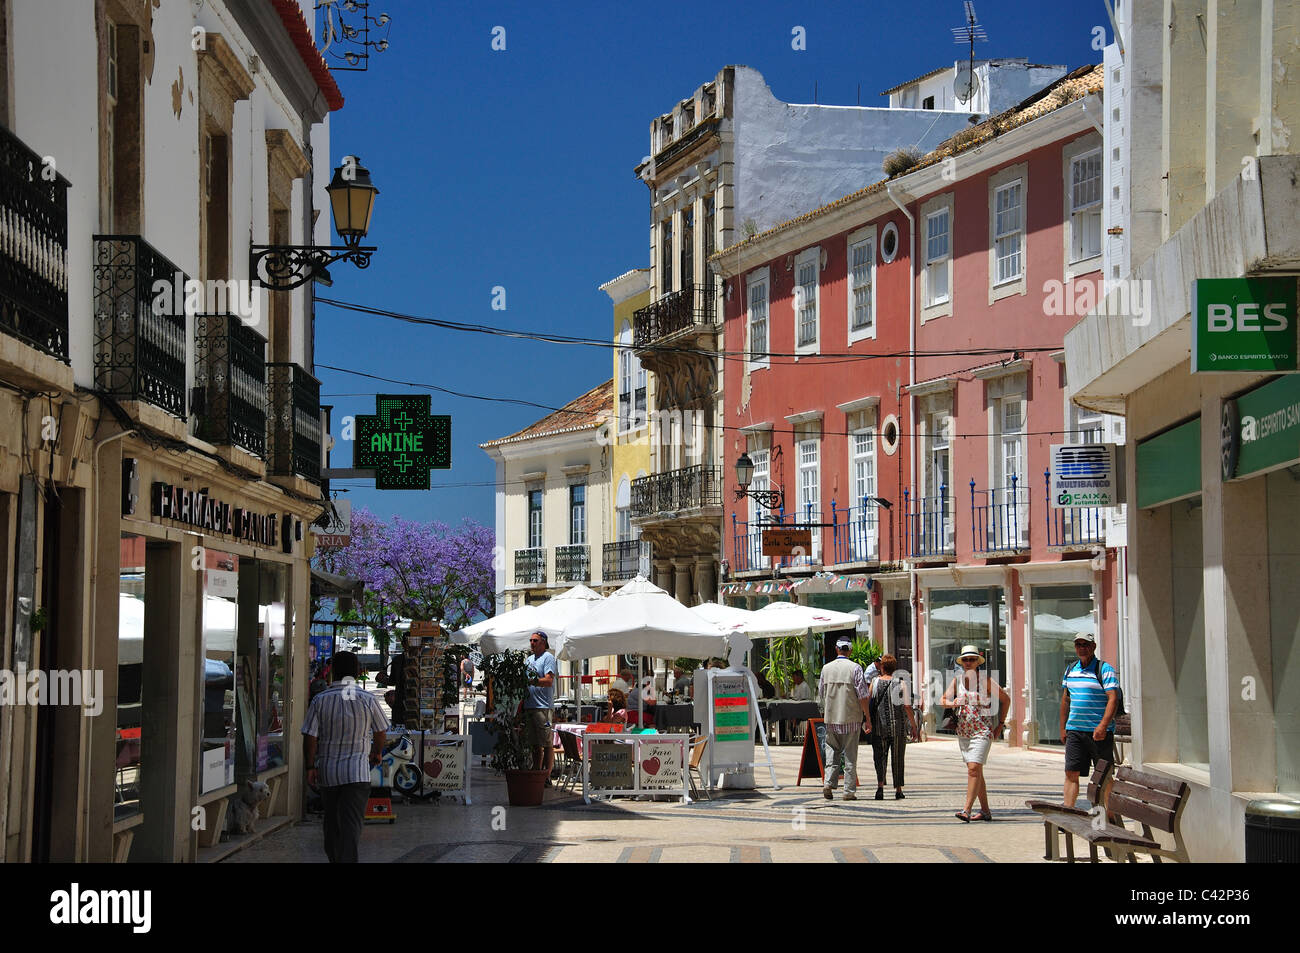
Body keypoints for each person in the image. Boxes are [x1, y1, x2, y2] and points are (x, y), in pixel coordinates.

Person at [301, 651, 389, 863]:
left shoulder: (320, 700)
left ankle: (335, 858)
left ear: (332, 672)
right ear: (358, 672)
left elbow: (310, 736)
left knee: (331, 823)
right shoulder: (368, 699)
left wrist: (310, 766)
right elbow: (381, 731)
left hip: (329, 773)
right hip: (357, 773)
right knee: (351, 825)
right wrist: (376, 751)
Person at [940, 645, 1009, 822]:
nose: (968, 662)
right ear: (961, 662)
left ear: (978, 662)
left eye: (972, 659)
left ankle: (966, 810)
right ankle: (985, 811)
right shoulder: (958, 680)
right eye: (965, 660)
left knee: (973, 770)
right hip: (964, 732)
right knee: (976, 772)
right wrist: (953, 702)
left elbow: (1005, 699)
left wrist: (1000, 724)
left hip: (982, 731)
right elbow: (943, 700)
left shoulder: (984, 680)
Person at [1060, 632, 1120, 807]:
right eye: (1078, 645)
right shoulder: (1071, 669)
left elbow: (1113, 698)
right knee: (1071, 773)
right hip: (1075, 731)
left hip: (1099, 734)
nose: (1082, 648)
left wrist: (1103, 725)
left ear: (1093, 646)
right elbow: (1065, 699)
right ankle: (1068, 813)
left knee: (1105, 776)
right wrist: (1063, 728)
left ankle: (1110, 817)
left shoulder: (1104, 669)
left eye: (1085, 644)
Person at [818, 637, 873, 800]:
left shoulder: (825, 668)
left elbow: (821, 693)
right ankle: (848, 791)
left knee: (831, 752)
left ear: (836, 649)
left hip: (831, 718)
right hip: (851, 718)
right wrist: (867, 717)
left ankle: (828, 782)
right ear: (850, 650)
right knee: (850, 755)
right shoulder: (855, 668)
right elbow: (863, 695)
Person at [868, 655, 919, 800]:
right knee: (898, 758)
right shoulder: (901, 684)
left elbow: (869, 702)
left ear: (882, 667)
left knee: (879, 757)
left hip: (879, 727)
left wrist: (867, 721)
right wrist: (913, 726)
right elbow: (908, 706)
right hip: (899, 728)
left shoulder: (875, 682)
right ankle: (898, 789)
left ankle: (880, 788)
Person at [524, 631, 558, 779]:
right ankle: (537, 770)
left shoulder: (548, 657)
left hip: (543, 707)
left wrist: (532, 681)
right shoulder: (529, 659)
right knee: (534, 743)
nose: (532, 643)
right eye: (531, 640)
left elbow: (549, 680)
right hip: (530, 705)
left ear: (543, 643)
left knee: (546, 742)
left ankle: (547, 774)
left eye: (535, 641)